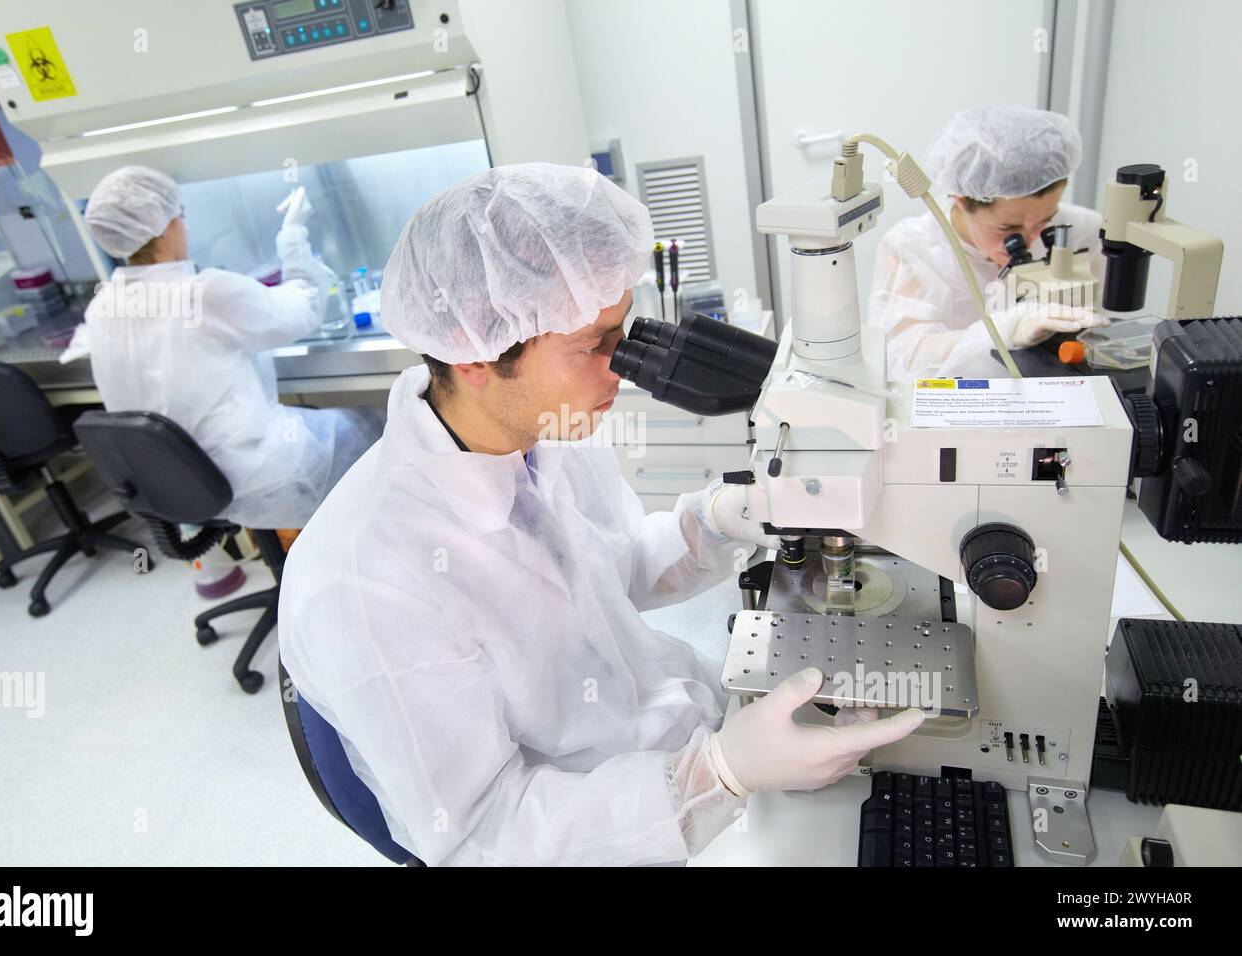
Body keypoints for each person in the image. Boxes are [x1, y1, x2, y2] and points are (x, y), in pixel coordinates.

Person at [278, 163, 925, 866]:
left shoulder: (544, 432)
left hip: (685, 731)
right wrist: (714, 779)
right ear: (475, 359)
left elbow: (612, 566)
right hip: (609, 836)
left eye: (622, 332)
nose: (623, 368)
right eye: (594, 346)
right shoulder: (365, 582)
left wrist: (718, 518)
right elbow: (482, 838)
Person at [82, 166, 384, 529]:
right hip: (259, 477)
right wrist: (293, 236)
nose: (187, 226)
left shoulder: (100, 308)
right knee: (378, 423)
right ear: (160, 224)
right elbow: (303, 309)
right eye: (181, 215)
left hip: (181, 486)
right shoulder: (202, 293)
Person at [869, 106, 1110, 380]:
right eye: (1009, 228)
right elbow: (902, 360)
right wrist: (1005, 331)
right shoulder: (912, 248)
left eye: (1045, 221)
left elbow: (1101, 335)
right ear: (960, 199)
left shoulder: (1084, 230)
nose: (1030, 241)